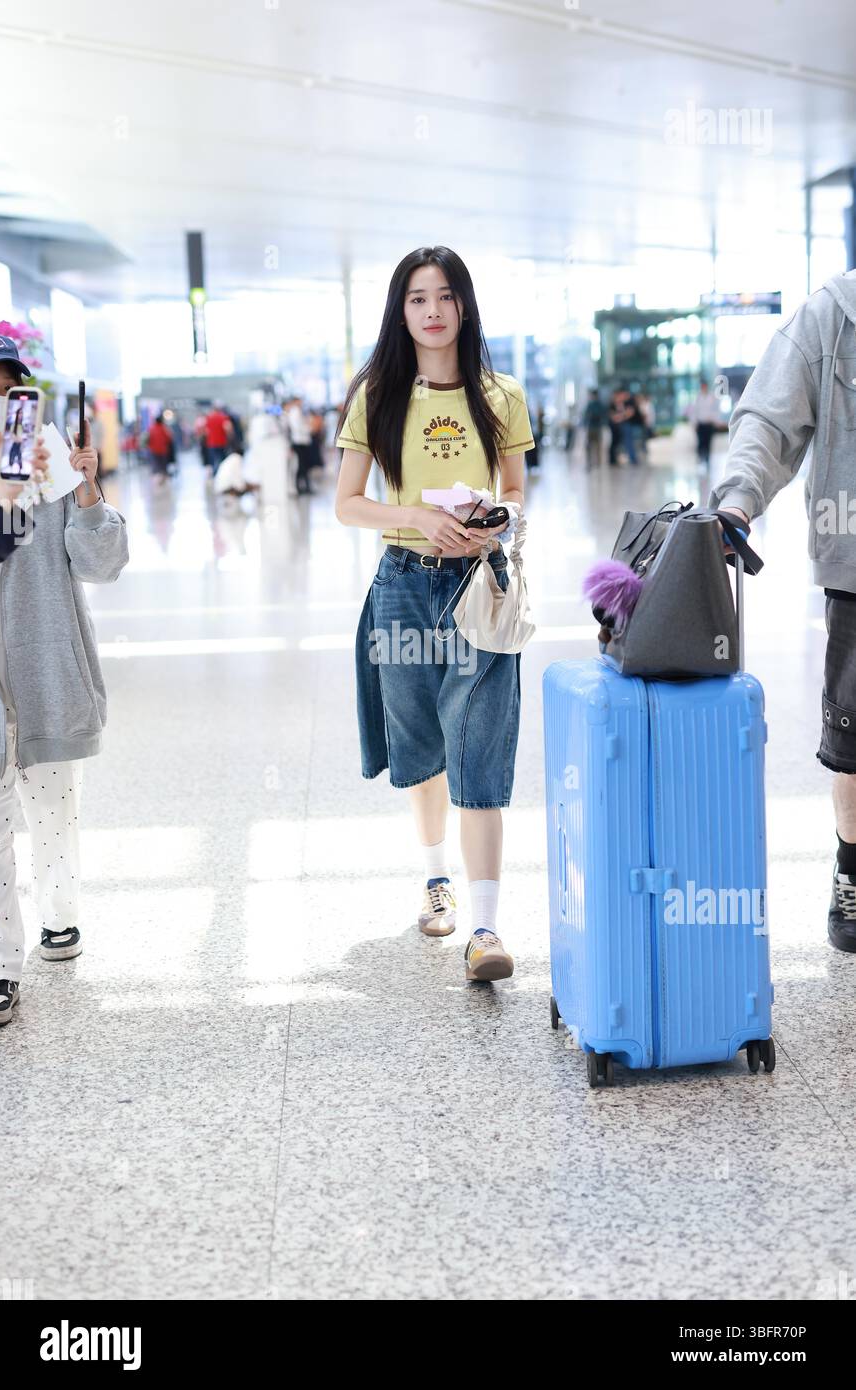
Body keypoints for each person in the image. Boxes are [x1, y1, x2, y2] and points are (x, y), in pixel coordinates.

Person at [335, 245, 534, 983]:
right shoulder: (378, 396)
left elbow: (515, 493)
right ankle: (434, 879)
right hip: (401, 583)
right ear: (402, 310)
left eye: (445, 296)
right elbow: (347, 503)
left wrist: (493, 519)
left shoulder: (500, 394)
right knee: (418, 741)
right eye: (418, 298)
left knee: (480, 742)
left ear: (464, 305)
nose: (432, 310)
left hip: (479, 584)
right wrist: (414, 514)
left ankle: (486, 925)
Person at [708, 268, 856, 955]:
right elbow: (767, 415)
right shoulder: (834, 314)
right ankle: (853, 870)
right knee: (853, 744)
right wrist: (738, 498)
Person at [0, 332, 129, 1028]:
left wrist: (87, 487)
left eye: (3, 389)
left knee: (51, 801)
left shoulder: (47, 467)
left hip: (41, 663)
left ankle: (60, 915)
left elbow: (102, 565)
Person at [686, 379, 721, 467]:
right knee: (701, 442)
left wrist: (716, 421)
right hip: (701, 424)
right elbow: (694, 411)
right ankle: (701, 458)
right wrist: (694, 423)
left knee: (708, 442)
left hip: (709, 423)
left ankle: (707, 459)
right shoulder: (698, 397)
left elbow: (715, 410)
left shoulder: (712, 397)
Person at [286, 396, 314, 495]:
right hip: (299, 441)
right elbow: (298, 427)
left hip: (302, 441)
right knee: (301, 465)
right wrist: (308, 428)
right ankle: (301, 487)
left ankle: (305, 486)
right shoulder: (295, 412)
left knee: (303, 464)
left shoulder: (297, 411)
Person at [204, 403, 232, 476]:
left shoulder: (209, 417)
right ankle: (222, 474)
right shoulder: (224, 417)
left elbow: (206, 431)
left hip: (211, 443)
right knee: (222, 460)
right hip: (222, 442)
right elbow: (228, 429)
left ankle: (214, 474)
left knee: (213, 460)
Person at [147, 410, 174, 485]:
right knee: (163, 464)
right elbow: (169, 438)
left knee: (156, 464)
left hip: (153, 450)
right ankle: (164, 476)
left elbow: (148, 439)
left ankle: (157, 477)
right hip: (163, 450)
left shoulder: (151, 428)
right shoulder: (164, 428)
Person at [582, 388, 606, 470]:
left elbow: (602, 415)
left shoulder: (599, 405)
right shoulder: (590, 404)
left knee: (597, 445)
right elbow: (586, 415)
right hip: (591, 427)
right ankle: (590, 462)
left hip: (596, 427)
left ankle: (597, 462)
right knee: (590, 445)